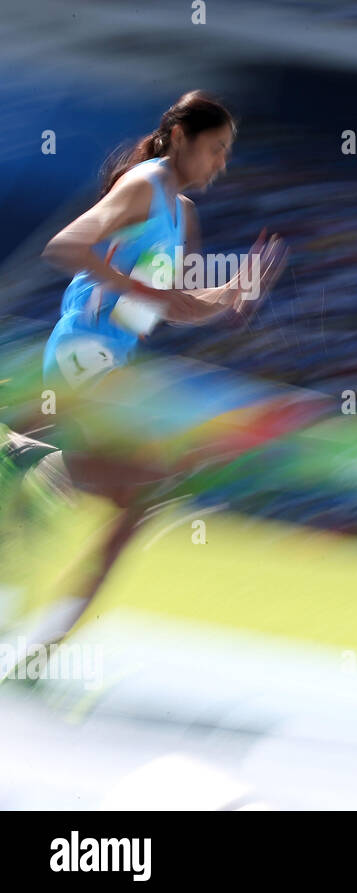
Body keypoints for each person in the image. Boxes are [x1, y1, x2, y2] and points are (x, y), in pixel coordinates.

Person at [3, 90, 286, 671]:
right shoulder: (143, 187)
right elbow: (67, 246)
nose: (221, 163)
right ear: (180, 138)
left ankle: (43, 647)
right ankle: (28, 461)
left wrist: (229, 294)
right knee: (156, 477)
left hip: (111, 367)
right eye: (214, 148)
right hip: (81, 360)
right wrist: (137, 288)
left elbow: (172, 307)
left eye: (227, 152)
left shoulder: (181, 213)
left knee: (141, 501)